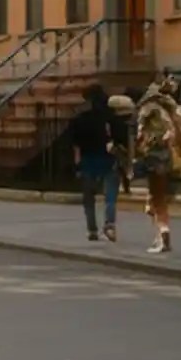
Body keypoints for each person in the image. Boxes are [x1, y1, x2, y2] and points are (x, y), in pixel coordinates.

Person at [134, 80, 181, 254]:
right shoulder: (172, 110)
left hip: (154, 157)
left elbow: (140, 135)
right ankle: (159, 234)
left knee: (157, 199)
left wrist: (140, 148)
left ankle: (163, 232)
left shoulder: (149, 110)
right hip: (169, 157)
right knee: (158, 196)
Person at [69, 84, 120, 242]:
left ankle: (92, 229)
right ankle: (109, 225)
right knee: (110, 195)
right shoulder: (111, 116)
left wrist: (77, 164)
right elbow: (118, 138)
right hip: (108, 158)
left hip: (88, 159)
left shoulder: (80, 118)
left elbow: (76, 144)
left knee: (89, 197)